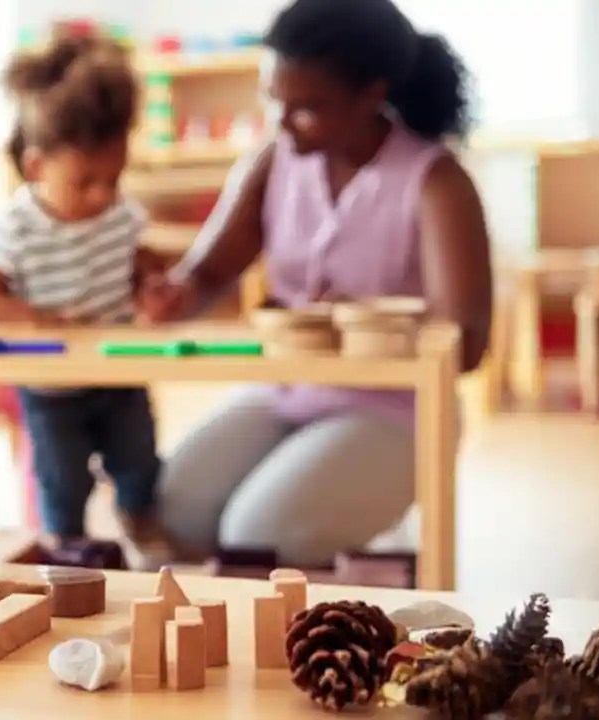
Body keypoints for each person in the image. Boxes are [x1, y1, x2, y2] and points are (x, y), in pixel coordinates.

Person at [143, 0, 493, 567]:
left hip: (398, 409)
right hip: (288, 389)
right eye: (274, 101)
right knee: (177, 508)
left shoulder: (436, 181)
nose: (283, 124)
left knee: (257, 536)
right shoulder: (272, 162)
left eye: (306, 109)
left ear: (372, 94)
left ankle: (345, 581)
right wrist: (173, 293)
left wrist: (367, 321)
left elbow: (467, 343)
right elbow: (206, 274)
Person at [0, 35, 171, 569]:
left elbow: (141, 262)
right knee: (61, 477)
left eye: (114, 178)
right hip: (50, 385)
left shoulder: (121, 213)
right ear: (37, 166)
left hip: (118, 373)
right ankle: (66, 549)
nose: (103, 195)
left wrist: (152, 283)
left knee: (138, 460)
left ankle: (143, 523)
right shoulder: (15, 224)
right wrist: (36, 318)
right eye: (85, 183)